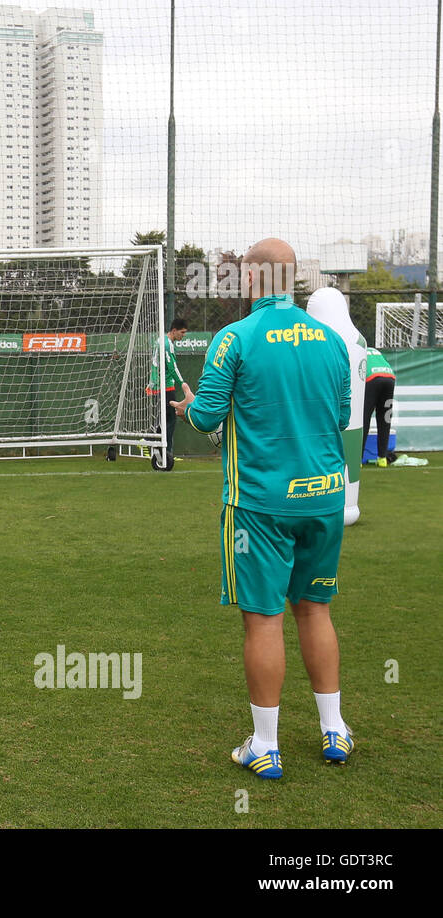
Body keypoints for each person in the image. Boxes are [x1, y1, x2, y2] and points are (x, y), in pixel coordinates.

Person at [172, 238, 354, 779]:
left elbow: (205, 420)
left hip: (259, 504)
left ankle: (265, 744)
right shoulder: (331, 340)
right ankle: (334, 730)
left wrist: (190, 409)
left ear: (251, 279)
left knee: (264, 618)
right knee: (315, 609)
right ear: (292, 279)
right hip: (324, 497)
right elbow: (341, 416)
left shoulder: (235, 338)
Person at [147, 317, 193, 470]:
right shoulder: (167, 344)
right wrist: (183, 385)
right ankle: (165, 451)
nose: (183, 335)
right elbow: (172, 367)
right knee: (170, 419)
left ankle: (156, 446)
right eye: (182, 332)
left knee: (164, 419)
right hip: (165, 387)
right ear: (174, 331)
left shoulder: (160, 341)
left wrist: (151, 383)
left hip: (157, 386)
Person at [362, 346, 397, 467]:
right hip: (390, 378)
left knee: (364, 419)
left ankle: (357, 460)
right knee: (385, 419)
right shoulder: (375, 351)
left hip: (372, 379)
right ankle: (382, 458)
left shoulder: (358, 351)